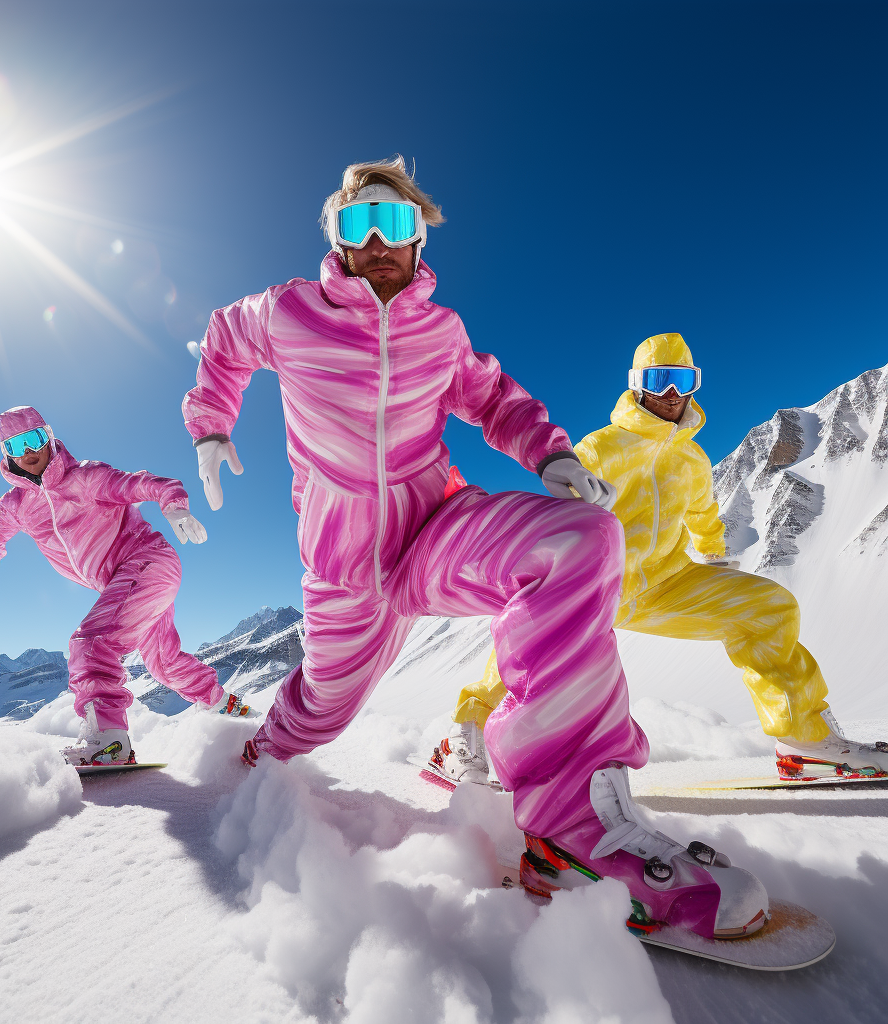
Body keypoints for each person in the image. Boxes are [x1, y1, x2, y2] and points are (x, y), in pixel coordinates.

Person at [183, 158, 770, 938]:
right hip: (345, 563)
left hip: (435, 527)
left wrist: (549, 454)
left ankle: (572, 831)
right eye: (359, 224)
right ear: (337, 238)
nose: (378, 242)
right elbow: (224, 338)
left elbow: (493, 397)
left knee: (581, 539)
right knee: (321, 710)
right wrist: (211, 423)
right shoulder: (290, 312)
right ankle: (256, 755)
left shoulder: (440, 332)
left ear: (419, 238)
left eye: (395, 223)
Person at [433, 332, 888, 787]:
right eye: (659, 379)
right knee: (531, 631)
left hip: (664, 585)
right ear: (637, 384)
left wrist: (713, 552)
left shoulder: (692, 460)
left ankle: (803, 739)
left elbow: (703, 513)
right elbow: (564, 508)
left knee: (770, 608)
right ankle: (464, 734)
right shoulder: (602, 448)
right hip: (597, 584)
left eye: (682, 380)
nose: (671, 393)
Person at [0, 405, 226, 765]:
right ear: (6, 455)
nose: (28, 451)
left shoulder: (86, 477)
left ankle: (110, 741)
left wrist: (173, 504)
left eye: (34, 439)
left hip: (148, 562)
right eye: (15, 446)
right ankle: (227, 707)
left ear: (48, 437)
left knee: (92, 642)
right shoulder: (16, 505)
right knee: (164, 662)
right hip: (126, 582)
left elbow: (140, 483)